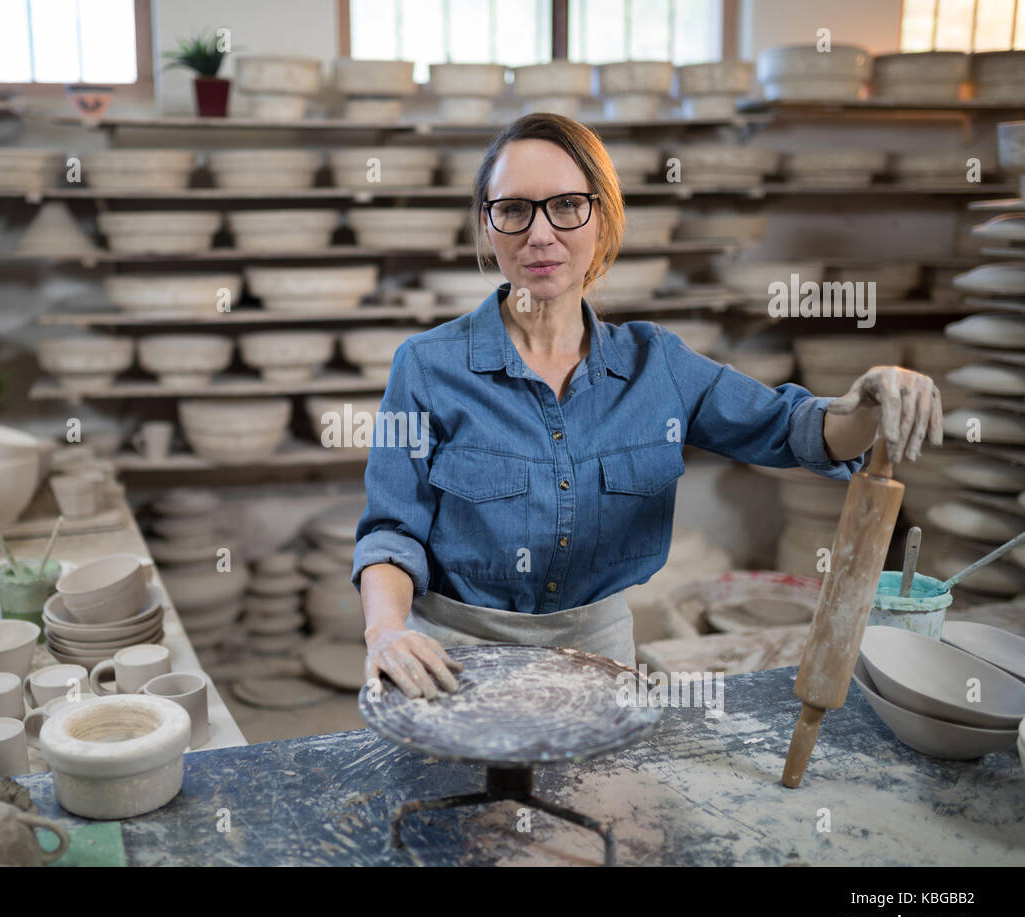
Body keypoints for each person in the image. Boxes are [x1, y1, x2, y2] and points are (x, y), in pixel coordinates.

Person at [352, 112, 942, 699]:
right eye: (512, 210)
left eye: (566, 205)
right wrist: (385, 631)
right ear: (487, 227)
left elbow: (799, 433)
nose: (540, 234)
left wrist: (868, 403)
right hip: (457, 656)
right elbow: (391, 533)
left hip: (597, 656)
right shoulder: (429, 367)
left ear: (602, 218)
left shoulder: (657, 365)